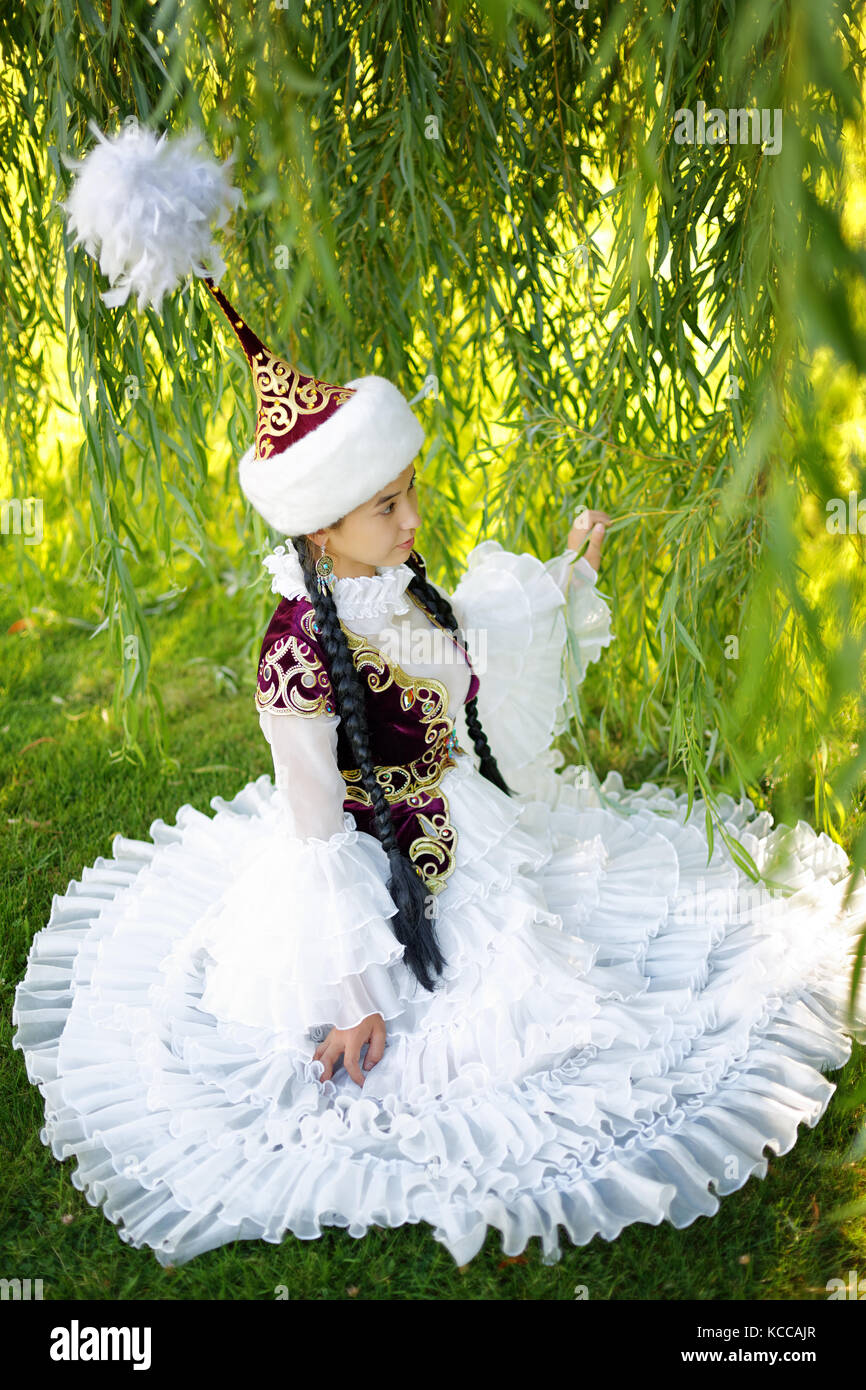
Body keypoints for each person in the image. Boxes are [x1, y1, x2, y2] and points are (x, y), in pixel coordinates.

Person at [13, 119, 866, 1270]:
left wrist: (567, 578)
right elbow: (318, 831)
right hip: (376, 869)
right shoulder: (295, 658)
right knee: (502, 1008)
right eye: (388, 508)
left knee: (589, 932)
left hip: (462, 815)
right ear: (319, 526)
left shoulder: (390, 580)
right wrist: (353, 989)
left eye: (409, 494)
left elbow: (473, 649)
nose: (413, 521)